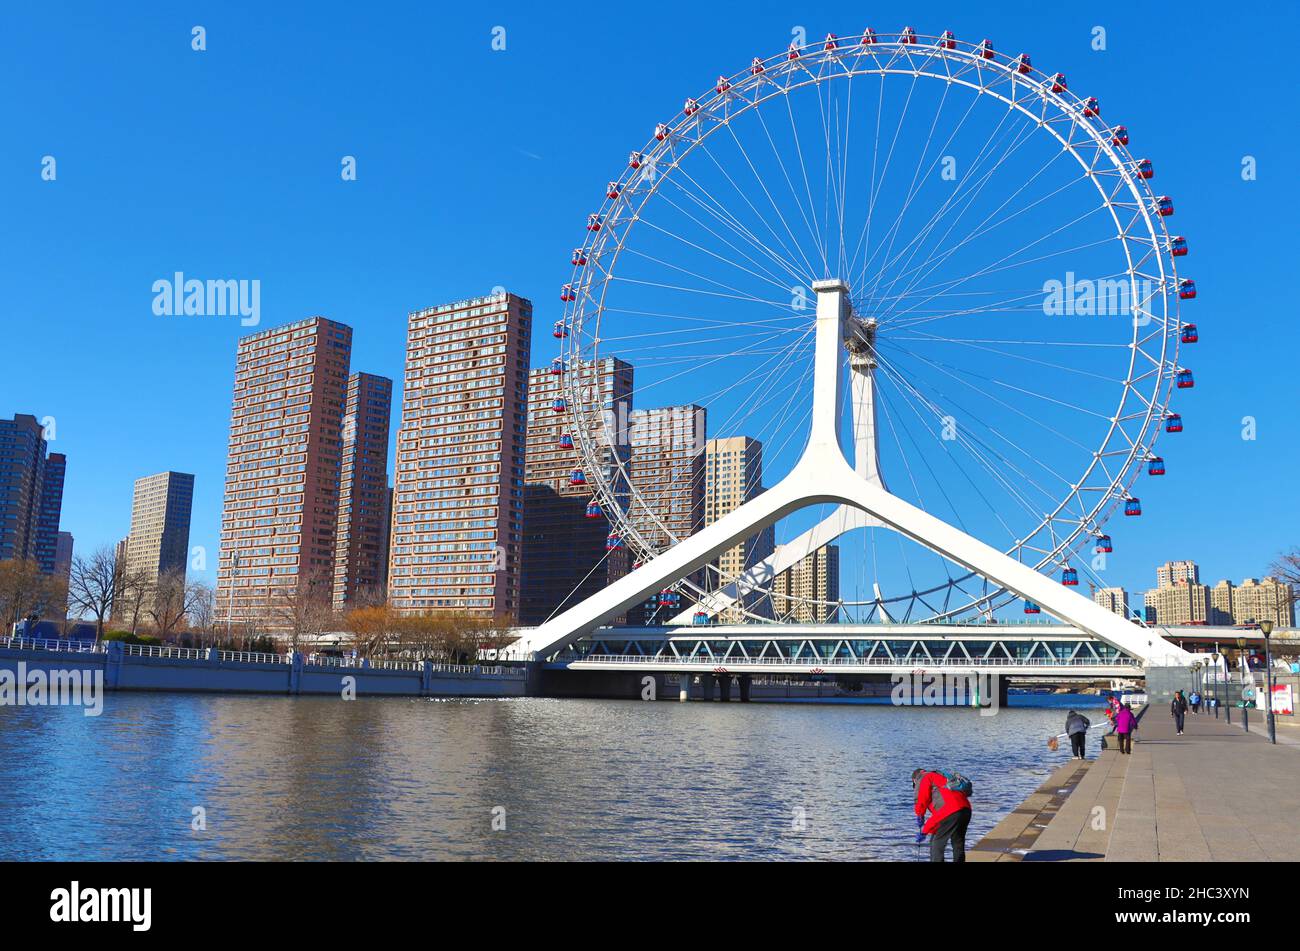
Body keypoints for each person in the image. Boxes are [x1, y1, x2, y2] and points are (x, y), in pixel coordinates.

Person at [911, 768, 972, 863]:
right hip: (966, 809)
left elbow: (921, 799)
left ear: (915, 780)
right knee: (958, 843)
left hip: (951, 810)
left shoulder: (924, 777)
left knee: (936, 842)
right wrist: (925, 827)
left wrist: (920, 816)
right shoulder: (940, 776)